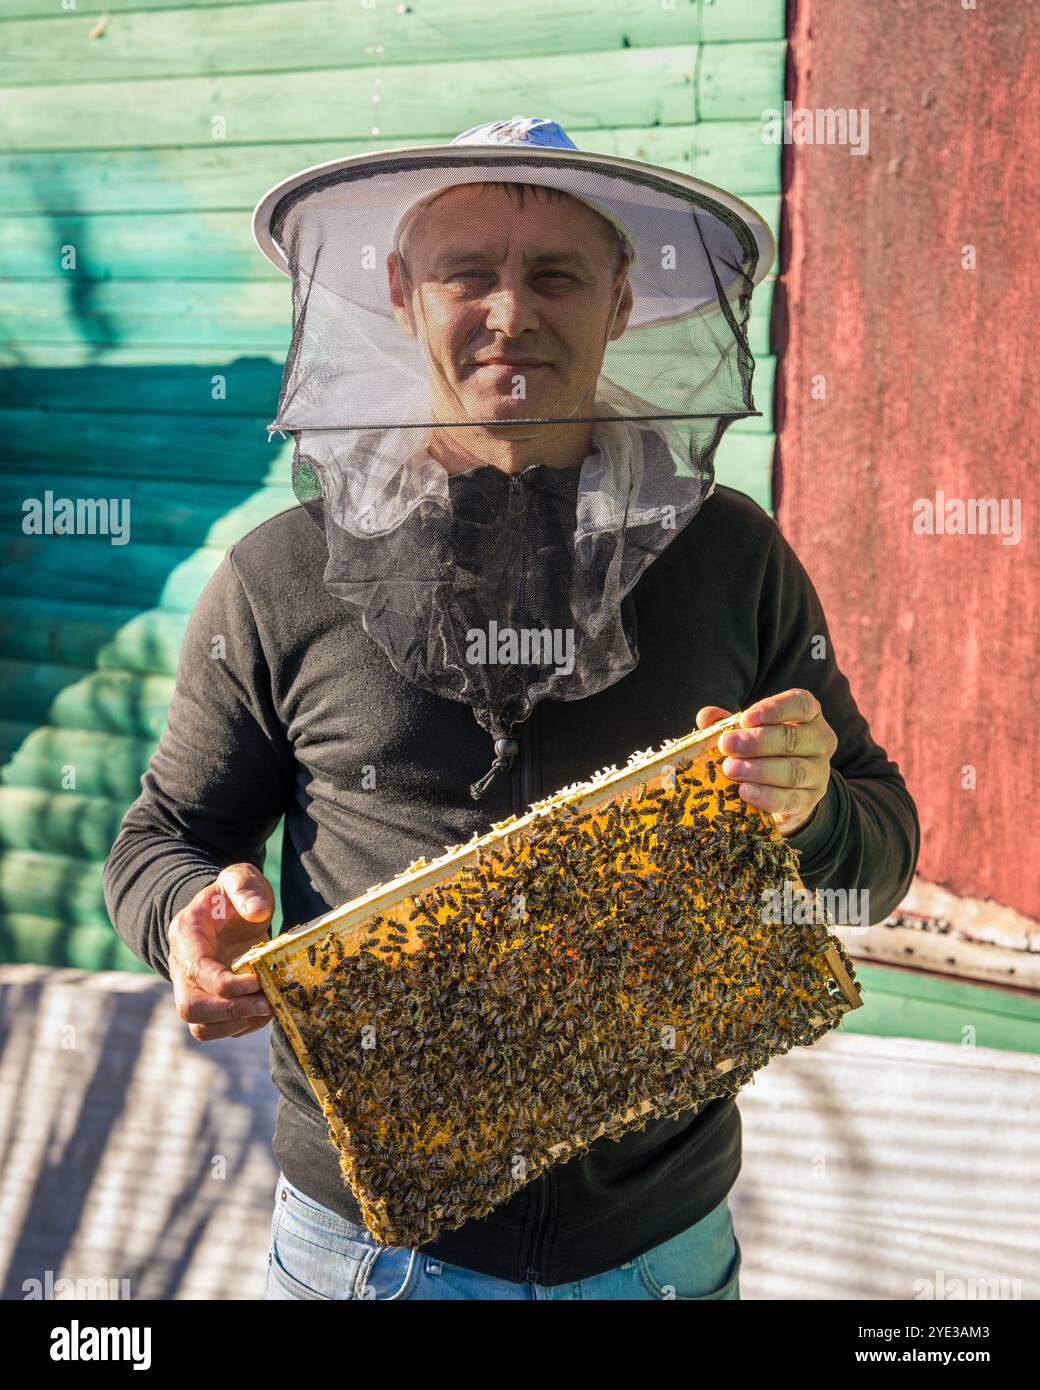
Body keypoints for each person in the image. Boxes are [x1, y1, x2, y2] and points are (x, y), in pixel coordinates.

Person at [104, 117, 920, 1301]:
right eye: (464, 272)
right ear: (398, 292)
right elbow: (161, 837)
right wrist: (187, 917)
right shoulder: (278, 576)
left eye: (554, 274)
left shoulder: (728, 555)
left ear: (622, 297)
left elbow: (879, 844)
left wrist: (810, 814)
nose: (508, 312)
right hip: (368, 1257)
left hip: (656, 1254)